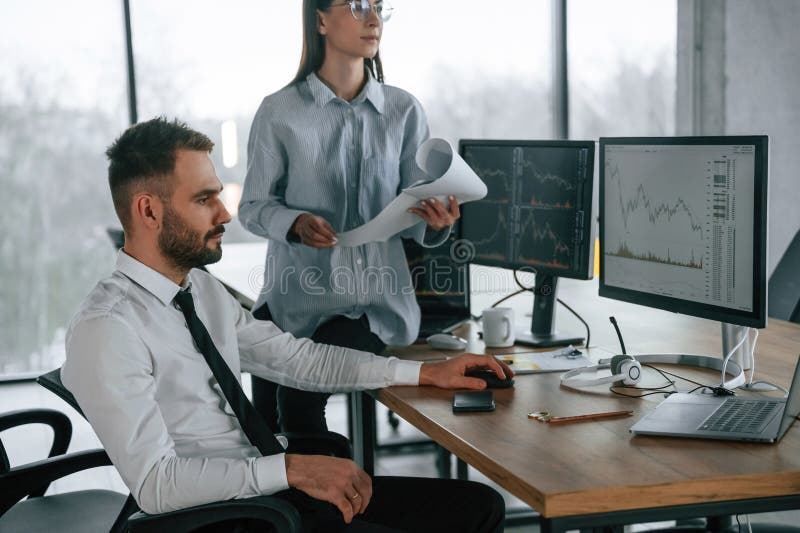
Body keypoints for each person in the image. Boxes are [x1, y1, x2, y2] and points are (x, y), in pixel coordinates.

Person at [63, 117, 508, 532]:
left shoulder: (199, 289)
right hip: (223, 517)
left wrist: (425, 373)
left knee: (480, 506)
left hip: (265, 488)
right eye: (204, 199)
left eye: (218, 194)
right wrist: (293, 468)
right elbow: (158, 486)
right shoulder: (107, 327)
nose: (224, 214)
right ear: (149, 211)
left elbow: (296, 359)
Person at [239, 0, 458, 435]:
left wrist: (436, 220)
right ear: (320, 19)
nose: (373, 19)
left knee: (297, 400)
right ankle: (285, 502)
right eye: (358, 5)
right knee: (260, 424)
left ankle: (332, 499)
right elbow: (253, 207)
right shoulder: (279, 112)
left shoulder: (405, 111)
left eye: (380, 7)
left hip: (372, 308)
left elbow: (413, 210)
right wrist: (296, 223)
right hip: (293, 303)